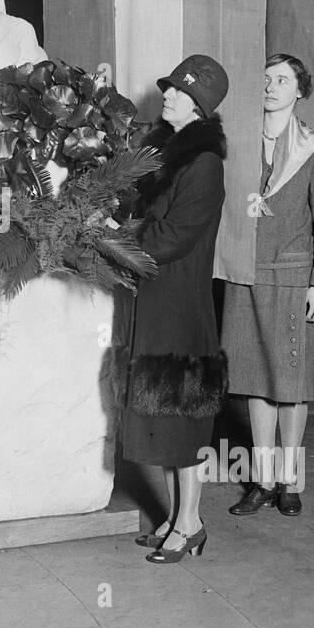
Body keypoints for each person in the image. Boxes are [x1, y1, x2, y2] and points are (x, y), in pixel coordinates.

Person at [117, 54, 230, 564]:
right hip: (156, 300)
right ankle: (174, 516)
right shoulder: (165, 153)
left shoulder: (204, 165)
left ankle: (191, 523)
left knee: (183, 420)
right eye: (169, 88)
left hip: (180, 306)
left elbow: (174, 237)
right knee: (163, 414)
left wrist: (118, 237)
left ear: (200, 108)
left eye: (179, 93)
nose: (168, 95)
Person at [222, 53, 314, 517]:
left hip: (291, 278)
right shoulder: (239, 139)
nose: (271, 86)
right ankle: (263, 483)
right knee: (254, 382)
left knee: (291, 385)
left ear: (299, 91)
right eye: (266, 78)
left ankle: (290, 481)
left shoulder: (313, 145)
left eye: (282, 80)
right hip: (246, 274)